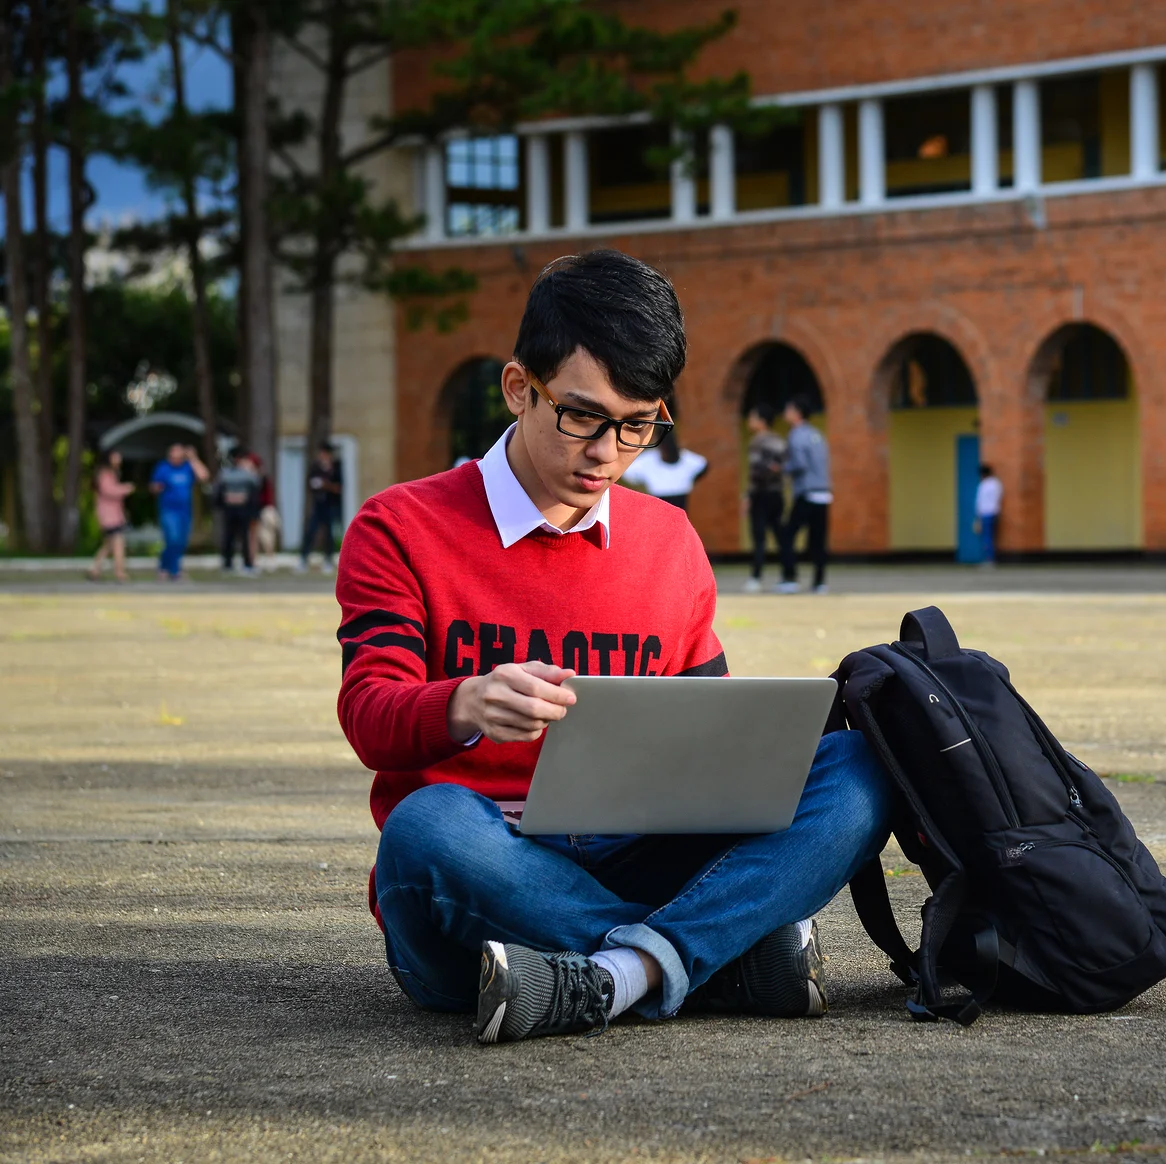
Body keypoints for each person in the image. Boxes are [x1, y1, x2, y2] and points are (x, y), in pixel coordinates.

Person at [336, 250, 890, 1044]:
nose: (607, 452)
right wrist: (463, 700)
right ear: (520, 389)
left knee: (861, 767)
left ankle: (614, 977)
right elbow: (369, 715)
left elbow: (717, 740)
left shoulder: (668, 539)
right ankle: (711, 959)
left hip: (638, 848)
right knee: (426, 828)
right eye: (582, 416)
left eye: (638, 424)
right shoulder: (399, 528)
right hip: (487, 872)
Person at [777, 399, 831, 595]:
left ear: (797, 413)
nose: (785, 412)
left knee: (787, 535)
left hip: (806, 493)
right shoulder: (817, 434)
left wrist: (781, 468)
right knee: (818, 540)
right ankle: (819, 582)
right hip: (824, 494)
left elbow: (799, 464)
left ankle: (790, 578)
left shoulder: (796, 435)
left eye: (788, 409)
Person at [148, 443, 210, 581]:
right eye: (172, 455)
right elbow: (153, 487)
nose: (174, 458)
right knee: (172, 539)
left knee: (181, 541)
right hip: (168, 510)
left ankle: (164, 568)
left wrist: (193, 458)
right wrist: (157, 488)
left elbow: (204, 476)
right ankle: (175, 571)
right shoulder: (163, 468)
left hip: (185, 511)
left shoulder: (187, 468)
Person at [743, 406, 788, 593]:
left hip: (760, 495)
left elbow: (757, 473)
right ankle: (788, 576)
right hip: (777, 494)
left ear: (761, 421)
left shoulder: (757, 442)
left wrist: (748, 496)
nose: (749, 421)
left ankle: (756, 577)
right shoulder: (780, 441)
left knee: (759, 538)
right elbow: (782, 467)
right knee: (781, 536)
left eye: (752, 417)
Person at [619, 429, 708, 510]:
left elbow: (703, 465)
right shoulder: (647, 461)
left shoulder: (688, 460)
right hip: (663, 501)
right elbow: (703, 465)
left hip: (674, 501)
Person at [87, 450, 135, 583]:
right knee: (118, 543)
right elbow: (108, 491)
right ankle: (120, 572)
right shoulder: (105, 474)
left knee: (108, 545)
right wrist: (125, 489)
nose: (119, 459)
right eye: (115, 457)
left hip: (114, 515)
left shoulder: (112, 474)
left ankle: (94, 569)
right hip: (109, 515)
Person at [215, 449, 261, 575]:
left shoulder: (249, 474)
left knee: (245, 537)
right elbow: (219, 490)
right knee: (228, 537)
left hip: (244, 509)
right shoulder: (225, 473)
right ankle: (227, 564)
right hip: (230, 509)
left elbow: (256, 488)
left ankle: (247, 564)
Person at [300, 442, 343, 572]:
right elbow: (310, 484)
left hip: (330, 505)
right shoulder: (315, 467)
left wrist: (324, 485)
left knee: (329, 533)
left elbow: (338, 487)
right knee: (311, 531)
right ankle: (303, 558)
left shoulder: (336, 467)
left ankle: (328, 560)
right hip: (318, 504)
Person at [974, 463, 1002, 567]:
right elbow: (998, 498)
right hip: (994, 512)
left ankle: (989, 559)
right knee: (992, 536)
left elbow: (979, 501)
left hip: (985, 513)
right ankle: (991, 558)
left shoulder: (983, 485)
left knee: (986, 537)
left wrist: (977, 517)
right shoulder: (996, 484)